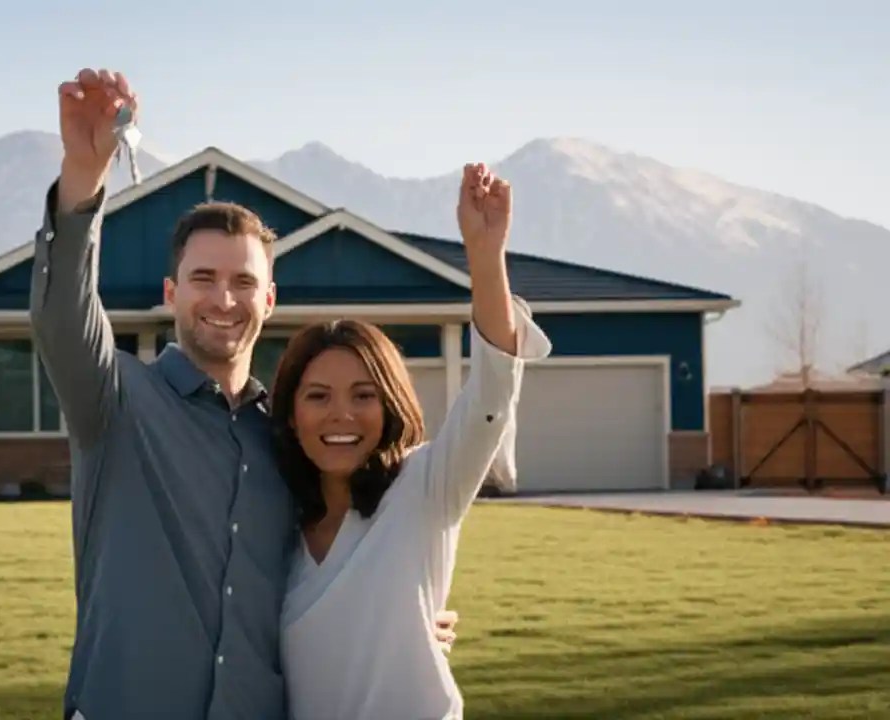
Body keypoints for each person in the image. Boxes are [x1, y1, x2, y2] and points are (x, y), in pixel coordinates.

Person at [30, 67, 457, 720]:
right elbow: (63, 315)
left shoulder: (293, 440)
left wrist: (403, 619)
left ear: (270, 299)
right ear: (171, 294)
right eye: (203, 279)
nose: (224, 300)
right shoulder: (114, 402)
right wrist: (84, 178)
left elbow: (336, 560)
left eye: (244, 282)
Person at [269, 163, 552, 719]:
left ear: (391, 406)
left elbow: (492, 391)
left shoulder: (426, 488)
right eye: (318, 396)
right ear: (291, 415)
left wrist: (485, 256)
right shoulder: (273, 527)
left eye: (364, 395)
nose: (341, 414)